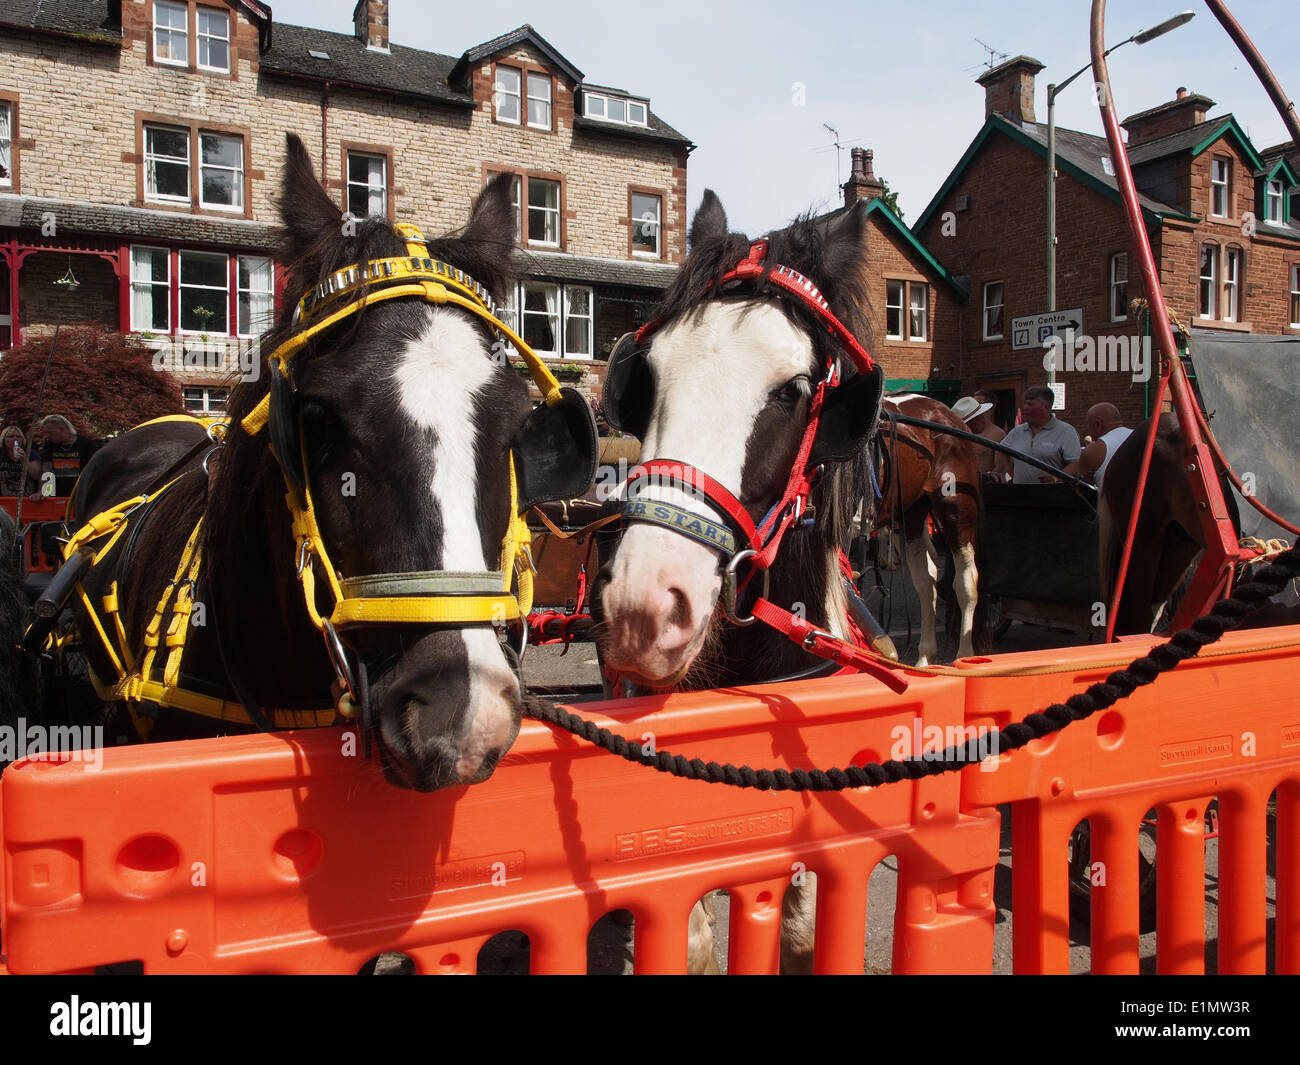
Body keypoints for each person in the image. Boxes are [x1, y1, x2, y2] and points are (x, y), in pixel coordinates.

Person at [994, 386, 1081, 484]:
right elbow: (1001, 450)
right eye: (1025, 403)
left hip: (1052, 495)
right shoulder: (1018, 431)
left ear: (1046, 407)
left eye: (1031, 404)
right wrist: (1009, 469)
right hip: (1020, 494)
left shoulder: (1066, 431)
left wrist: (1056, 477)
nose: (1025, 408)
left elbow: (1075, 463)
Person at [27, 414, 98, 499]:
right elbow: (47, 470)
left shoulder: (86, 444)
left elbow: (93, 471)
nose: (47, 436)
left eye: (49, 432)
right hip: (56, 496)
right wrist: (45, 492)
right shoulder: (49, 445)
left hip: (81, 496)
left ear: (62, 429)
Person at [1066, 403, 1131, 490]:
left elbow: (1084, 493)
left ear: (1098, 424)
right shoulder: (1143, 438)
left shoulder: (1094, 450)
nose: (1087, 429)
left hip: (1111, 502)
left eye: (1088, 425)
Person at [951, 393, 1005, 476]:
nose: (983, 419)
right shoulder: (952, 441)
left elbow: (1000, 467)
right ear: (970, 421)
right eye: (980, 416)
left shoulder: (997, 434)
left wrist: (985, 479)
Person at [0, 426, 30, 496]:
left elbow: (37, 475)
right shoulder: (1, 454)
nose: (15, 439)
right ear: (3, 439)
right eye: (10, 436)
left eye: (18, 437)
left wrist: (24, 461)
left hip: (27, 498)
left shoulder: (30, 453)